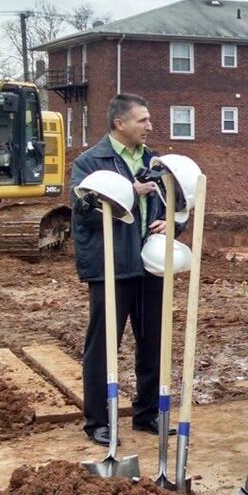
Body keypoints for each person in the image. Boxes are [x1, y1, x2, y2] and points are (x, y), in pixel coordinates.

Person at [71, 93, 172, 445]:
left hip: (150, 265)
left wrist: (170, 223)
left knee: (153, 343)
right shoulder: (91, 162)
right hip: (111, 268)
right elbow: (83, 213)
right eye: (142, 120)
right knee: (103, 346)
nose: (150, 125)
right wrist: (126, 190)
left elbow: (177, 203)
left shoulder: (155, 161)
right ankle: (98, 421)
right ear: (120, 123)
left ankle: (146, 415)